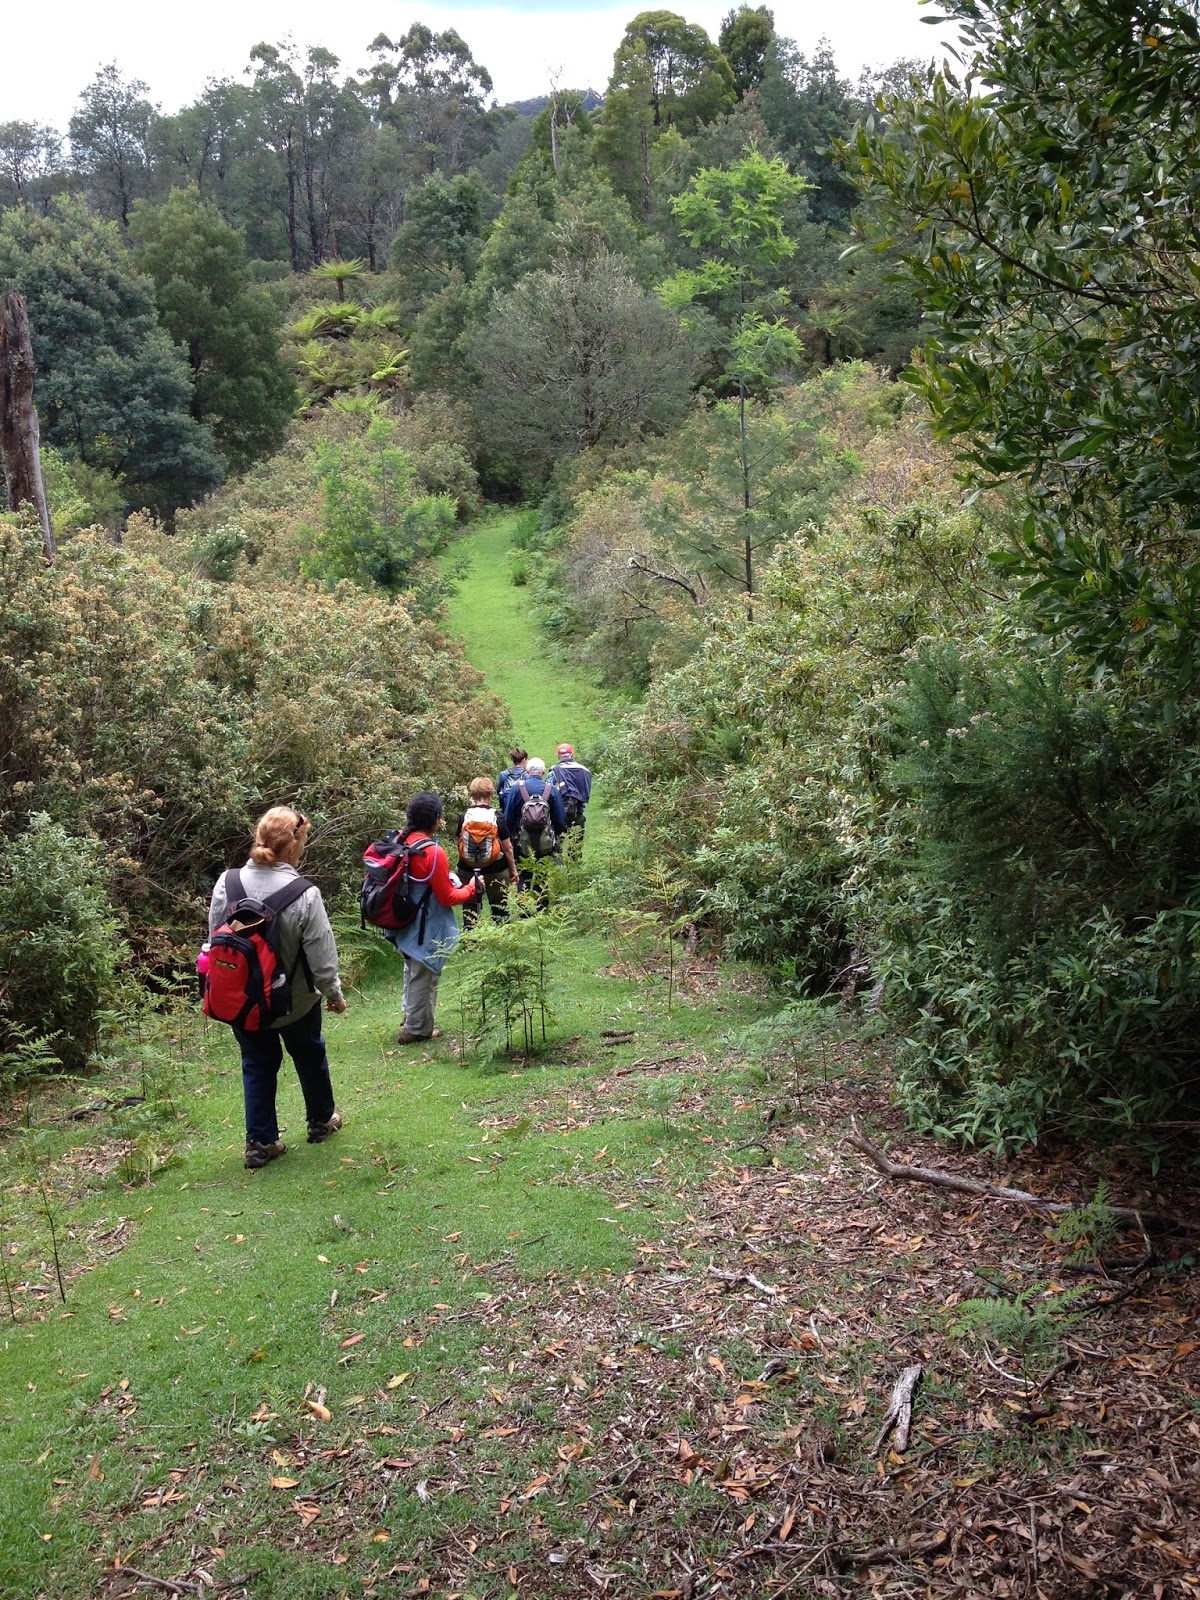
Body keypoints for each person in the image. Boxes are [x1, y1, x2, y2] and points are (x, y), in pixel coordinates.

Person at [208, 806, 347, 1171]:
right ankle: (321, 1120)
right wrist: (333, 994)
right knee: (309, 1054)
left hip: (244, 1001)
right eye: (303, 841)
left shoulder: (227, 882)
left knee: (256, 1063)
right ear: (291, 848)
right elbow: (321, 952)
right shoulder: (304, 894)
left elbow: (214, 937)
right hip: (295, 1001)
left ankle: (260, 1142)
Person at [386, 791, 481, 1044]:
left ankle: (412, 1018)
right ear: (436, 819)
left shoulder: (399, 841)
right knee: (423, 972)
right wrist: (472, 887)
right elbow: (448, 896)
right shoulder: (432, 852)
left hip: (402, 920)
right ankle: (415, 1029)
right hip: (423, 924)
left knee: (412, 969)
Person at [454, 776, 519, 928]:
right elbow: (508, 848)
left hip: (467, 869)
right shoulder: (497, 817)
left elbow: (459, 841)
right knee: (499, 905)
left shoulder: (464, 816)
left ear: (472, 794)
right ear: (490, 795)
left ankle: (471, 940)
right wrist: (513, 870)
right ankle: (502, 938)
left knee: (470, 906)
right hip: (495, 869)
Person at [503, 756, 567, 901]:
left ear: (527, 771)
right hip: (545, 842)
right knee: (542, 874)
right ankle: (541, 908)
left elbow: (508, 819)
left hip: (522, 842)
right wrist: (556, 837)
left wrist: (513, 838)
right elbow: (561, 820)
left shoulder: (516, 789)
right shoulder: (551, 790)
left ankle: (523, 908)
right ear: (543, 772)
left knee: (523, 874)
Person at [550, 743, 593, 849]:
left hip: (559, 814)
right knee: (576, 843)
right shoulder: (585, 771)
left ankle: (558, 862)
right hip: (578, 813)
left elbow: (549, 792)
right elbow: (586, 793)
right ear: (572, 754)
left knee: (557, 844)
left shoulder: (554, 771)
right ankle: (575, 862)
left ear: (558, 755)